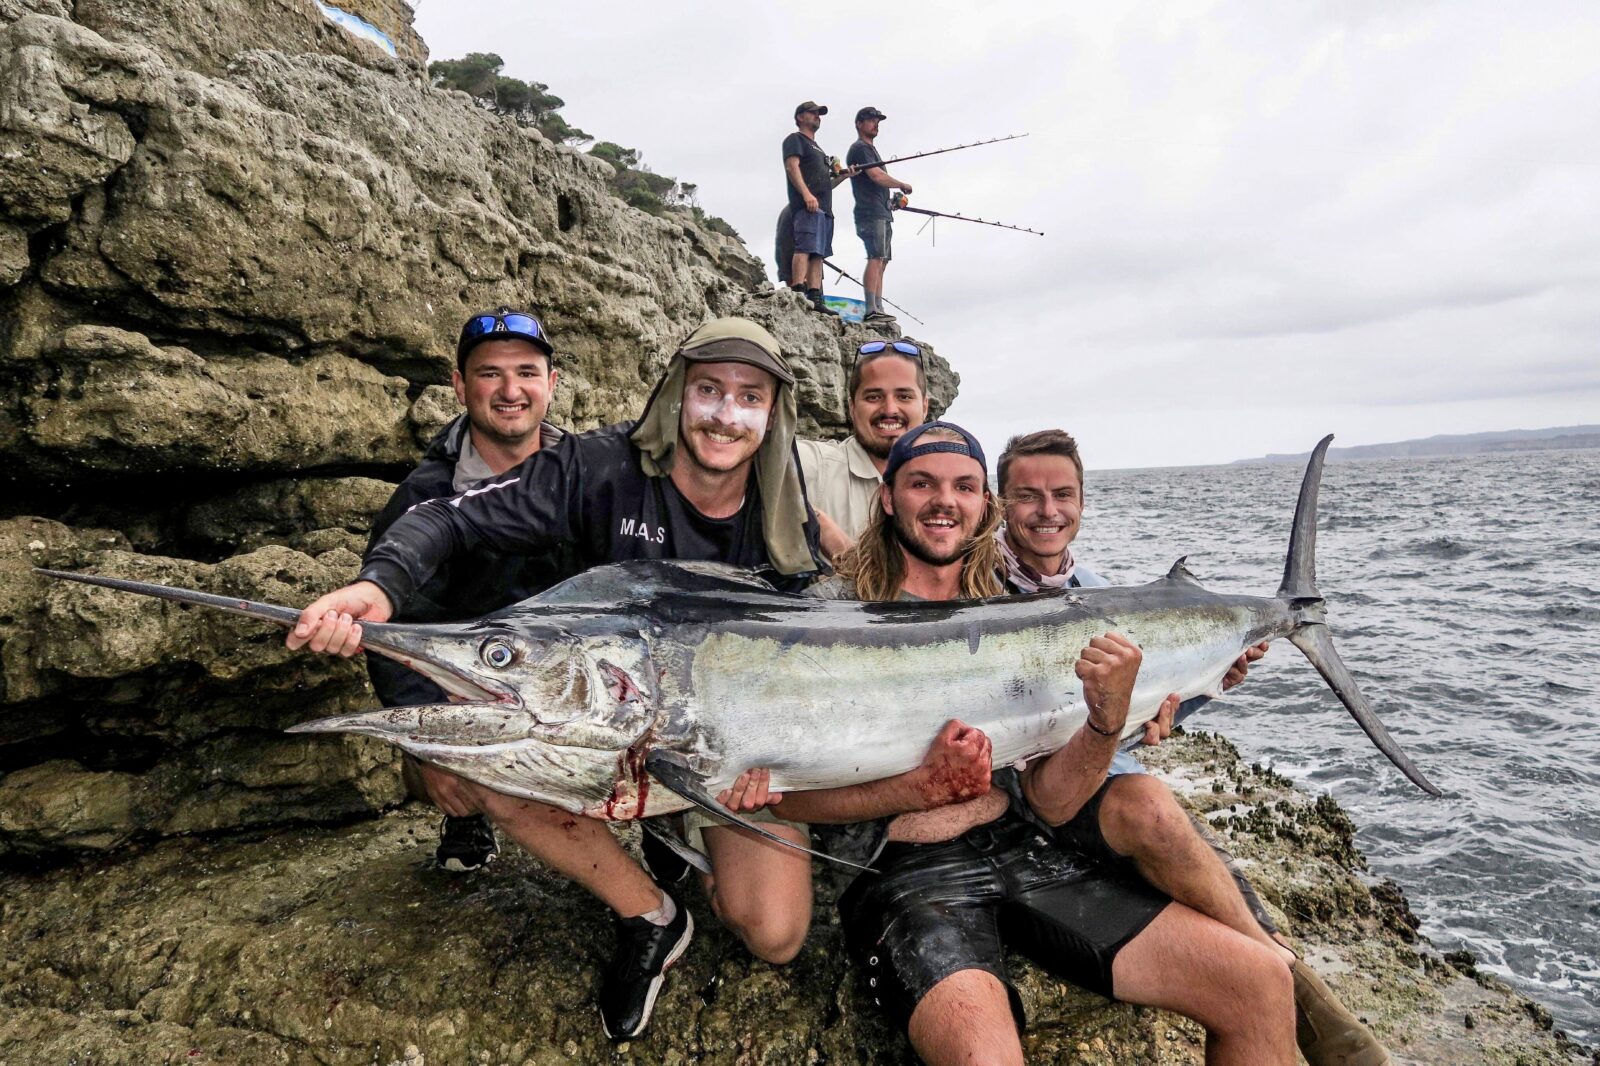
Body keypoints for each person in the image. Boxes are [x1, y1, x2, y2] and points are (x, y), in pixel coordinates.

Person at [286, 317, 829, 1041]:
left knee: (776, 933)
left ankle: (679, 833)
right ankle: (651, 915)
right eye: (708, 389)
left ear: (772, 413)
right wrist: (379, 589)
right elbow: (450, 520)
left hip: (726, 745)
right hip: (603, 722)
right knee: (485, 743)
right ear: (675, 394)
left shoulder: (782, 502)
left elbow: (814, 627)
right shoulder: (600, 465)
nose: (726, 415)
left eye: (750, 397)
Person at [816, 420, 1298, 1065]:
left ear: (982, 505)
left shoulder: (1017, 609)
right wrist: (914, 789)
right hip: (903, 871)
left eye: (963, 486)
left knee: (1259, 985)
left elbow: (1054, 801)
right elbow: (791, 796)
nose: (943, 501)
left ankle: (1295, 978)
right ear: (887, 495)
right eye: (921, 483)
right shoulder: (828, 612)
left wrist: (1106, 720)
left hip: (1025, 846)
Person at [995, 428, 1393, 1066]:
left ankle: (1297, 993)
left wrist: (1210, 683)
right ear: (998, 503)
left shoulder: (1101, 589)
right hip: (1033, 792)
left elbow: (1148, 715)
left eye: (1062, 494)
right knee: (1149, 802)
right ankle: (1305, 993)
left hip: (1092, 775)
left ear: (1083, 501)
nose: (1048, 511)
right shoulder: (971, 585)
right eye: (1027, 495)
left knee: (1149, 803)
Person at [366, 307, 571, 873]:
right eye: (490, 374)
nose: (511, 390)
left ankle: (660, 826)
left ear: (552, 384)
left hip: (577, 677)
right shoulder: (420, 498)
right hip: (477, 693)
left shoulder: (593, 477)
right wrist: (432, 751)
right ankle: (466, 811)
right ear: (459, 385)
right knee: (440, 754)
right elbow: (393, 638)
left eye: (527, 372)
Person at [796, 338, 930, 559]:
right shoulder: (816, 466)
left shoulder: (947, 487)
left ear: (925, 407)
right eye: (873, 397)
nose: (889, 409)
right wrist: (816, 521)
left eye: (904, 396)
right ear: (851, 407)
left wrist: (846, 556)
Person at [783, 101, 855, 315]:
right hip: (807, 206)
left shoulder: (819, 150)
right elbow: (791, 166)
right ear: (799, 117)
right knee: (804, 247)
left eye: (819, 114)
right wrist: (806, 195)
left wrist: (846, 176)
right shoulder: (795, 140)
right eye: (812, 113)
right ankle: (797, 291)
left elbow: (827, 184)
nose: (817, 116)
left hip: (824, 209)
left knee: (818, 254)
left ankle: (816, 297)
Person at [846, 106, 912, 324]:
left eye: (877, 121)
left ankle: (878, 306)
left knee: (882, 260)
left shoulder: (872, 150)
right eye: (871, 120)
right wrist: (900, 183)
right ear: (859, 123)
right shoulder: (859, 148)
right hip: (869, 213)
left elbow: (878, 180)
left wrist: (892, 201)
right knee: (875, 257)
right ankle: (871, 309)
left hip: (881, 211)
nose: (875, 124)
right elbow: (876, 175)